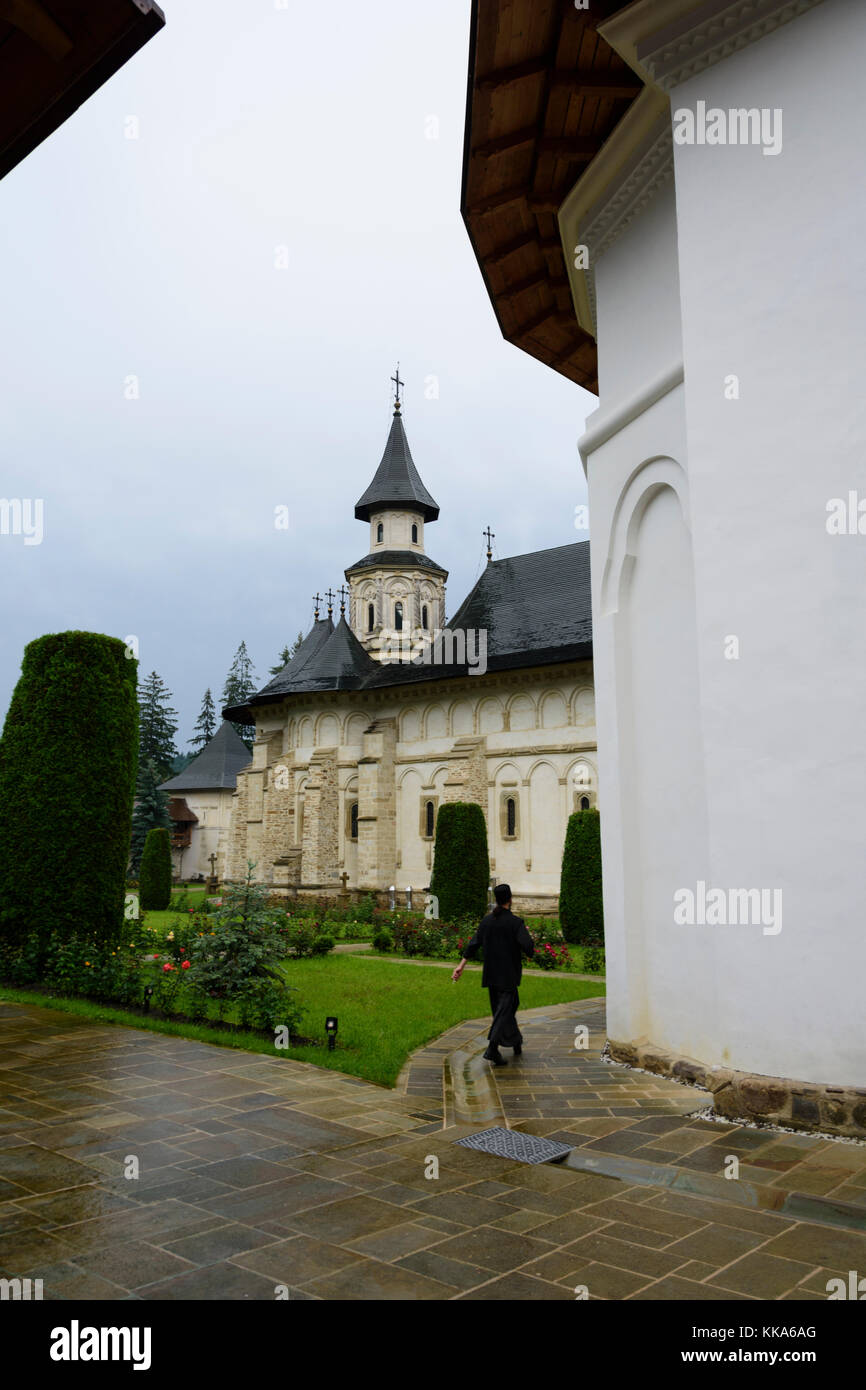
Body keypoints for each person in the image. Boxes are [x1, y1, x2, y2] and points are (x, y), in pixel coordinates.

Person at [451, 883, 535, 1066]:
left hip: (491, 976)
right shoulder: (515, 923)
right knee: (504, 1011)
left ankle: (515, 1040)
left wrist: (461, 966)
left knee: (507, 1008)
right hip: (508, 977)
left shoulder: (487, 921)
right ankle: (492, 1048)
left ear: (496, 900)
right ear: (510, 899)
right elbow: (529, 948)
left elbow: (473, 944)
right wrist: (528, 941)